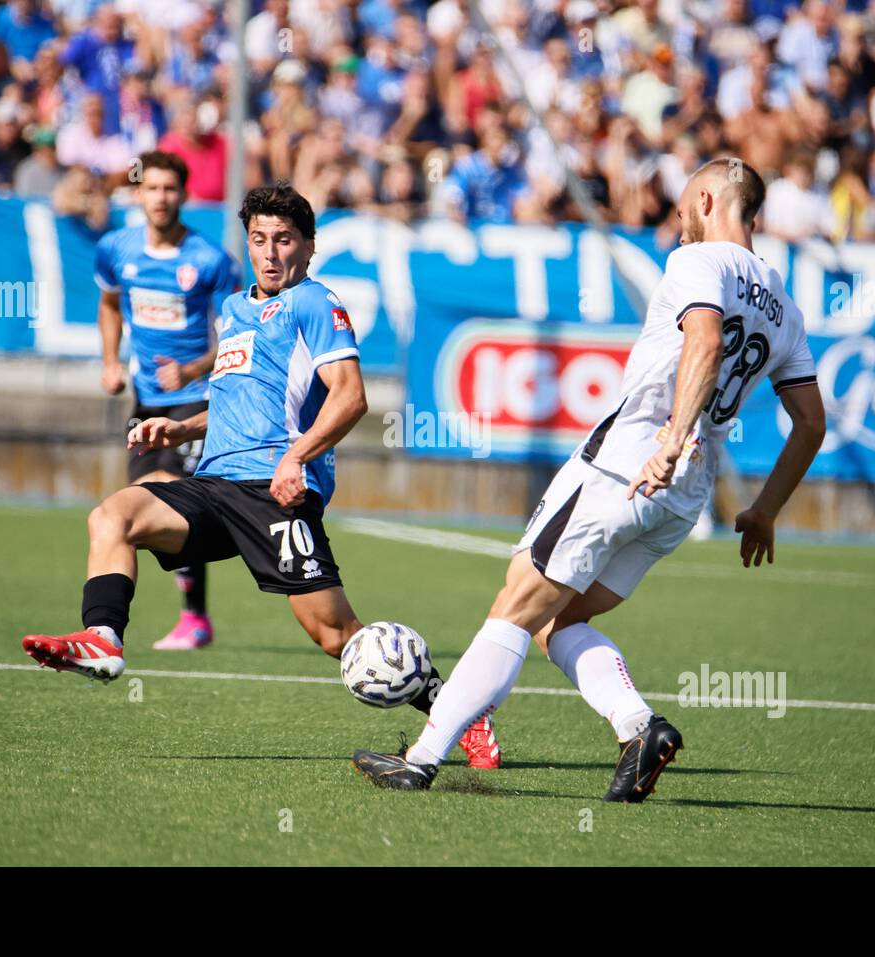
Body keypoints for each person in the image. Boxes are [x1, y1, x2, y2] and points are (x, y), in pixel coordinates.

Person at [351, 158, 827, 799]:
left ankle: (421, 757)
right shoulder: (786, 312)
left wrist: (669, 437)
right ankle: (639, 729)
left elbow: (705, 343)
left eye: (686, 205)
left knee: (514, 609)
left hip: (631, 462)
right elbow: (811, 425)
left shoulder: (699, 263)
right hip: (685, 496)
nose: (679, 220)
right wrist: (765, 510)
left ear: (710, 200)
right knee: (556, 624)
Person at [21, 182, 503, 769]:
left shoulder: (314, 303)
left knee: (336, 636)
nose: (270, 253)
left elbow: (350, 398)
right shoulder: (235, 309)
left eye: (283, 240)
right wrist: (179, 431)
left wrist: (296, 458)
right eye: (259, 240)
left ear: (307, 246)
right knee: (113, 515)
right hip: (215, 484)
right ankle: (105, 640)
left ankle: (460, 715)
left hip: (276, 492)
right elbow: (236, 403)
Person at [94, 150, 240, 649]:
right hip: (145, 399)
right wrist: (111, 361)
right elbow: (110, 303)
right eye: (152, 188)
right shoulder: (116, 249)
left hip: (197, 402)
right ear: (139, 193)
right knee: (141, 506)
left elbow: (237, 336)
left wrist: (195, 368)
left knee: (168, 491)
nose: (161, 198)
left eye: (170, 189)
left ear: (183, 194)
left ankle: (194, 617)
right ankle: (186, 614)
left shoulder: (209, 260)